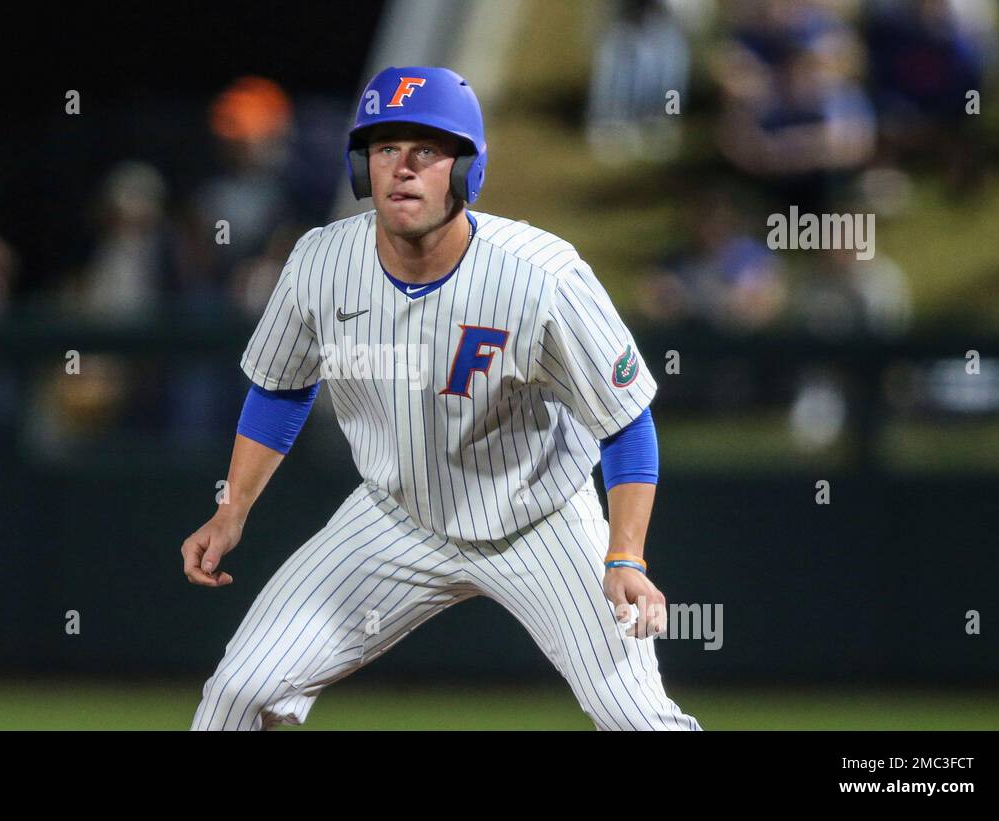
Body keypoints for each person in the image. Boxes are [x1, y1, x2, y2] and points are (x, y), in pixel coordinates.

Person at [184, 66, 701, 731]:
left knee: (635, 719)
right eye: (384, 148)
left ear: (466, 170)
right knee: (238, 691)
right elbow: (280, 387)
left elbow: (627, 423)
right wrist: (231, 509)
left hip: (538, 519)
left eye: (426, 150)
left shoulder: (542, 278)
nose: (402, 168)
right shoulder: (319, 262)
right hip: (396, 517)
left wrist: (626, 553)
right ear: (359, 166)